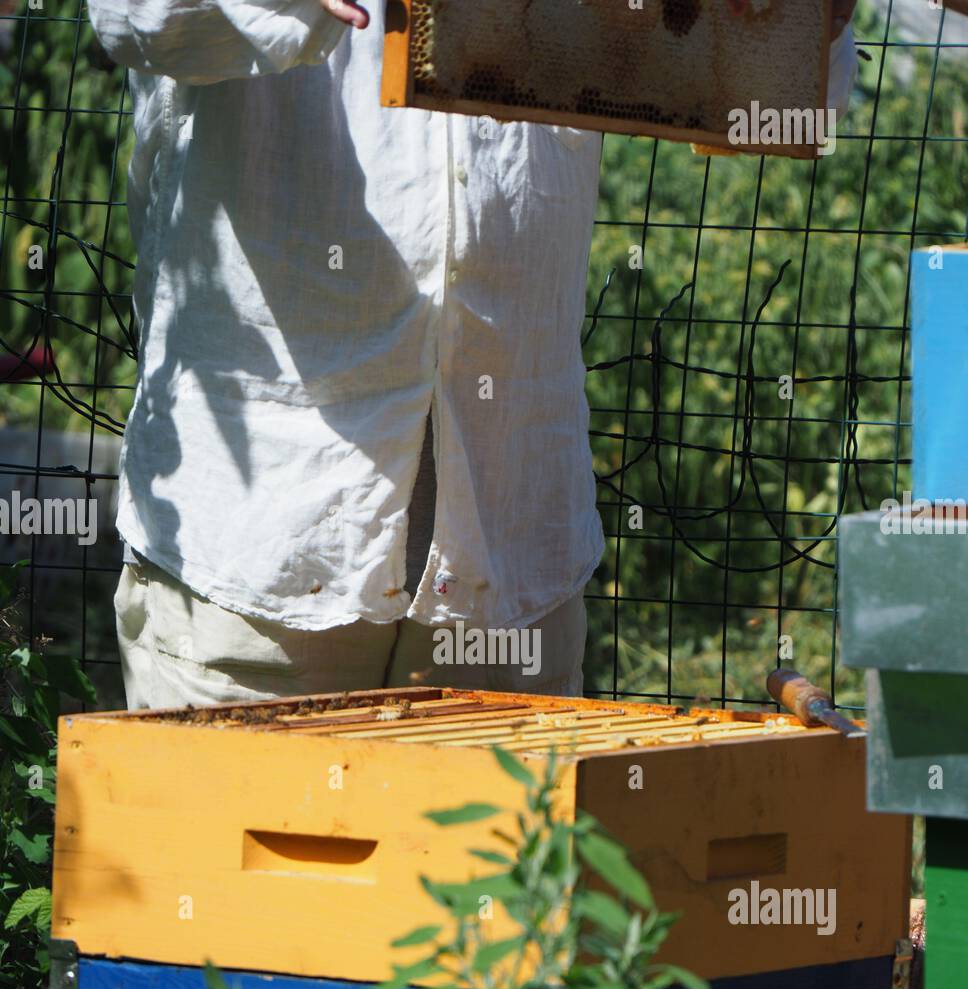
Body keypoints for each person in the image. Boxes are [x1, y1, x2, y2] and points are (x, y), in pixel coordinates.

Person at [88, 0, 858, 709]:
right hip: (263, 546)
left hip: (513, 536)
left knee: (492, 862)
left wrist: (806, 15)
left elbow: (781, 109)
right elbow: (133, 16)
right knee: (230, 855)